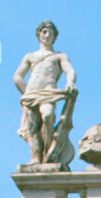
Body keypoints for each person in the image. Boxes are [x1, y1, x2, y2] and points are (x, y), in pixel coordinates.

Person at [13, 21, 78, 167]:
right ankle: (36, 157)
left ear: (54, 37)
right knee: (32, 126)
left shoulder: (59, 56)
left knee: (47, 115)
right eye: (44, 32)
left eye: (50, 33)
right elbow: (17, 77)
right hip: (32, 94)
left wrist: (70, 82)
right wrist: (27, 92)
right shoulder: (30, 56)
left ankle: (49, 151)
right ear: (39, 35)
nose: (47, 35)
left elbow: (70, 71)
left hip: (48, 93)